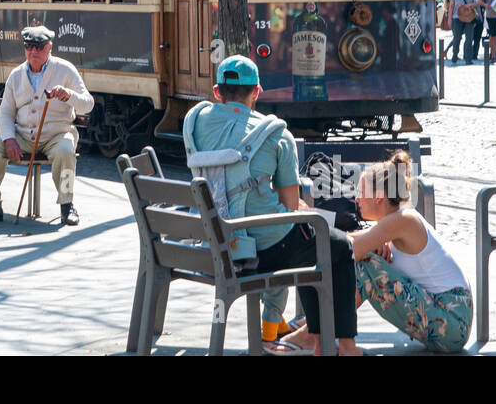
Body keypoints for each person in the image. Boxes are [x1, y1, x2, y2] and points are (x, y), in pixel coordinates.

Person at [185, 55, 363, 356]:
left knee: (310, 240)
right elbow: (290, 206)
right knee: (334, 245)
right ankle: (343, 345)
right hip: (259, 252)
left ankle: (319, 339)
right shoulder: (276, 133)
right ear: (257, 91)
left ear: (217, 92)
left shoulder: (193, 124)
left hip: (210, 247)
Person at [0, 26, 92, 226]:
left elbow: (88, 104)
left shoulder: (65, 69)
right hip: (24, 136)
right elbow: (6, 112)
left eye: (39, 46)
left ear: (49, 47)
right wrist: (9, 139)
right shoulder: (16, 75)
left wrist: (69, 95)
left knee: (65, 152)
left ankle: (67, 205)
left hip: (57, 134)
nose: (34, 51)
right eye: (29, 46)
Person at [350, 151, 473, 353]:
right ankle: (317, 328)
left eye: (362, 192)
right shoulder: (394, 222)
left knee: (366, 264)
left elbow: (350, 252)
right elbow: (350, 240)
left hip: (451, 322)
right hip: (449, 322)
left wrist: (363, 245)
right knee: (367, 258)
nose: (357, 199)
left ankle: (316, 331)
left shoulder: (402, 220)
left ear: (379, 196)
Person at [444, 0, 478, 65]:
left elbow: (476, 3)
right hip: (457, 17)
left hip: (469, 17)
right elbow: (451, 6)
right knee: (457, 37)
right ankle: (455, 54)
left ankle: (468, 58)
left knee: (469, 38)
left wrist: (470, 5)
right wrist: (449, 19)